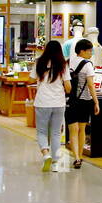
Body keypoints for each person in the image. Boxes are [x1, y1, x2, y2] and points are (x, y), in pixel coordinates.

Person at [32, 40, 70, 172]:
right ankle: (55, 163)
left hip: (42, 102)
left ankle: (45, 154)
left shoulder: (39, 62)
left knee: (41, 131)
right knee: (55, 133)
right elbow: (68, 87)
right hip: (59, 103)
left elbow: (30, 79)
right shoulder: (63, 65)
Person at [65, 38, 99, 168]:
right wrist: (96, 102)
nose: (91, 53)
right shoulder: (88, 64)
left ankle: (76, 157)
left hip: (71, 100)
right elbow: (91, 85)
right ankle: (79, 156)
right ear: (82, 51)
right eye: (89, 51)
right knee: (82, 129)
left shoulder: (69, 62)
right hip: (84, 101)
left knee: (73, 130)